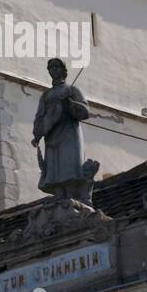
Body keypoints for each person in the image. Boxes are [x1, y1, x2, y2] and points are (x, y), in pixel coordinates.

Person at [32, 57, 90, 198]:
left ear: (63, 70)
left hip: (69, 132)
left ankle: (70, 194)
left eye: (57, 67)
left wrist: (69, 103)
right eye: (51, 67)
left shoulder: (72, 89)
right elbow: (40, 117)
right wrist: (37, 135)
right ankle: (58, 196)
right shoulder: (45, 96)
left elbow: (85, 111)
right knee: (54, 168)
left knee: (69, 164)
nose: (54, 70)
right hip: (52, 134)